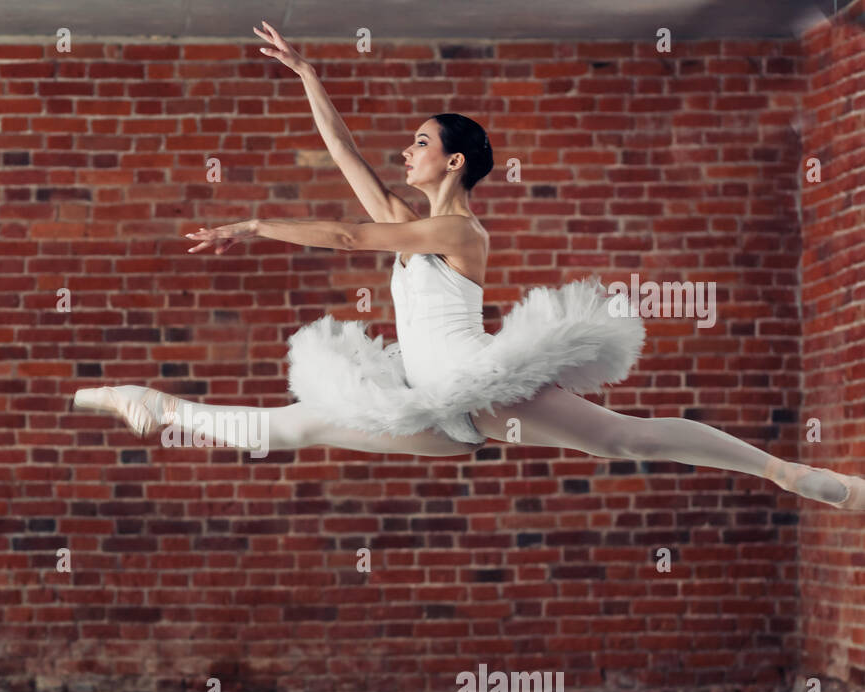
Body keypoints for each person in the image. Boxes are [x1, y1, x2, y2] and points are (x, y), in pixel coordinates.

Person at [74, 20, 863, 509]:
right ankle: (155, 404)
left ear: (452, 161)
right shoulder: (410, 221)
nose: (405, 152)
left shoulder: (460, 235)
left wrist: (250, 222)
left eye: (418, 142)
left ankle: (788, 474)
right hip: (433, 410)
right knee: (298, 428)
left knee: (627, 442)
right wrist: (310, 77)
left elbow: (349, 238)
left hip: (480, 383)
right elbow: (348, 159)